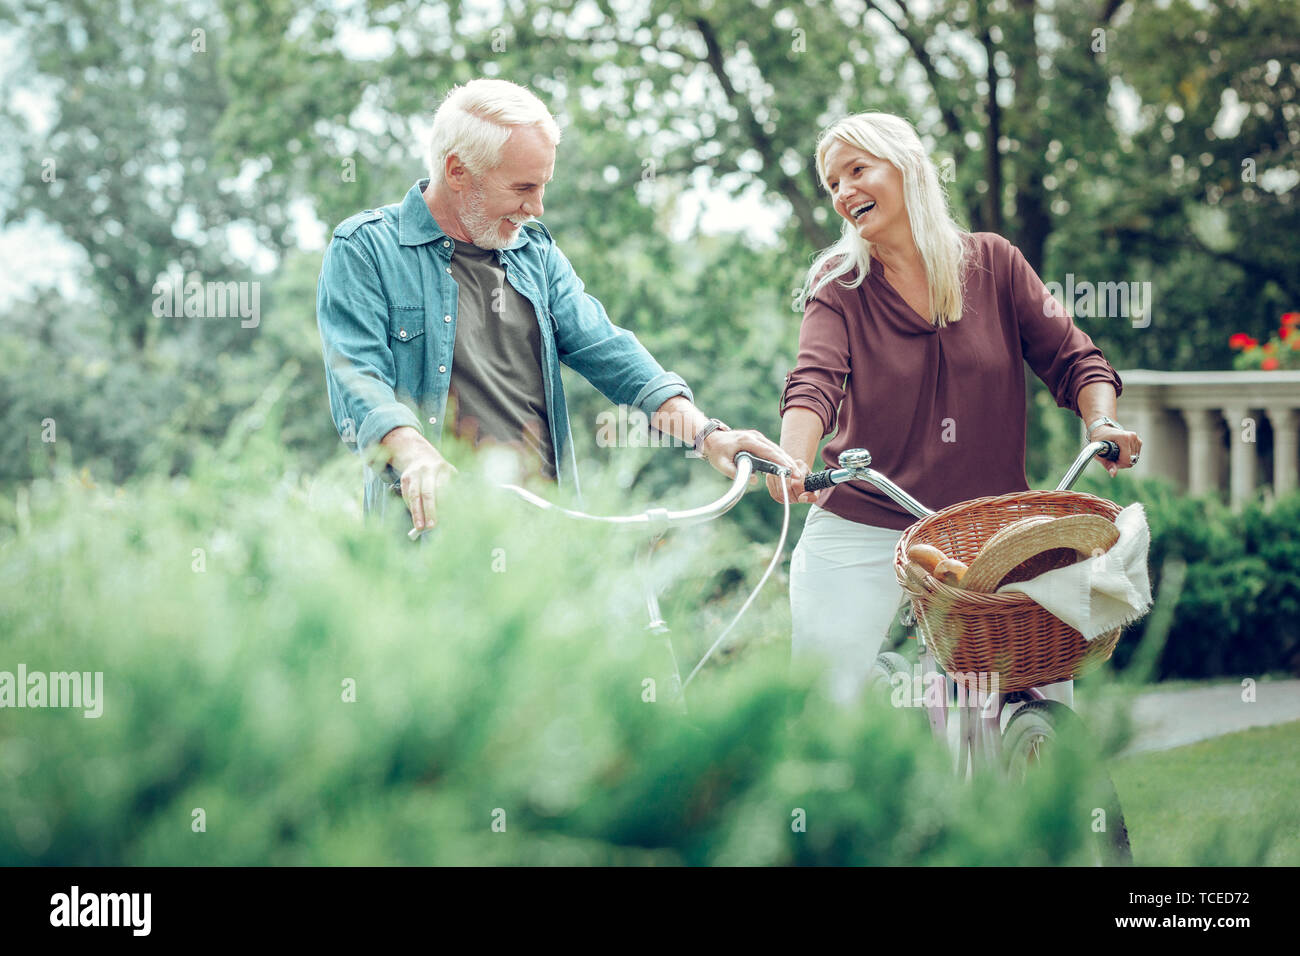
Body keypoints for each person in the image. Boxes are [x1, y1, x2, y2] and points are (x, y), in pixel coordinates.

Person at [768, 112, 1143, 709]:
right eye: (833, 183)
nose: (843, 193)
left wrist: (1100, 420)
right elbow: (814, 383)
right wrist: (793, 460)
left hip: (989, 531)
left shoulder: (994, 264)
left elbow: (1077, 360)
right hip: (862, 519)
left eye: (857, 170)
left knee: (1043, 693)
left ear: (908, 167)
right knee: (821, 701)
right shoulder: (838, 286)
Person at [316, 78, 796, 535]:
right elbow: (356, 379)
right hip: (427, 534)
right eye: (523, 188)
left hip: (546, 534)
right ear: (457, 171)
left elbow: (610, 350)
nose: (538, 207)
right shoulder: (365, 249)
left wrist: (706, 434)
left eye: (542, 186)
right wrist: (413, 452)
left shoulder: (535, 253)